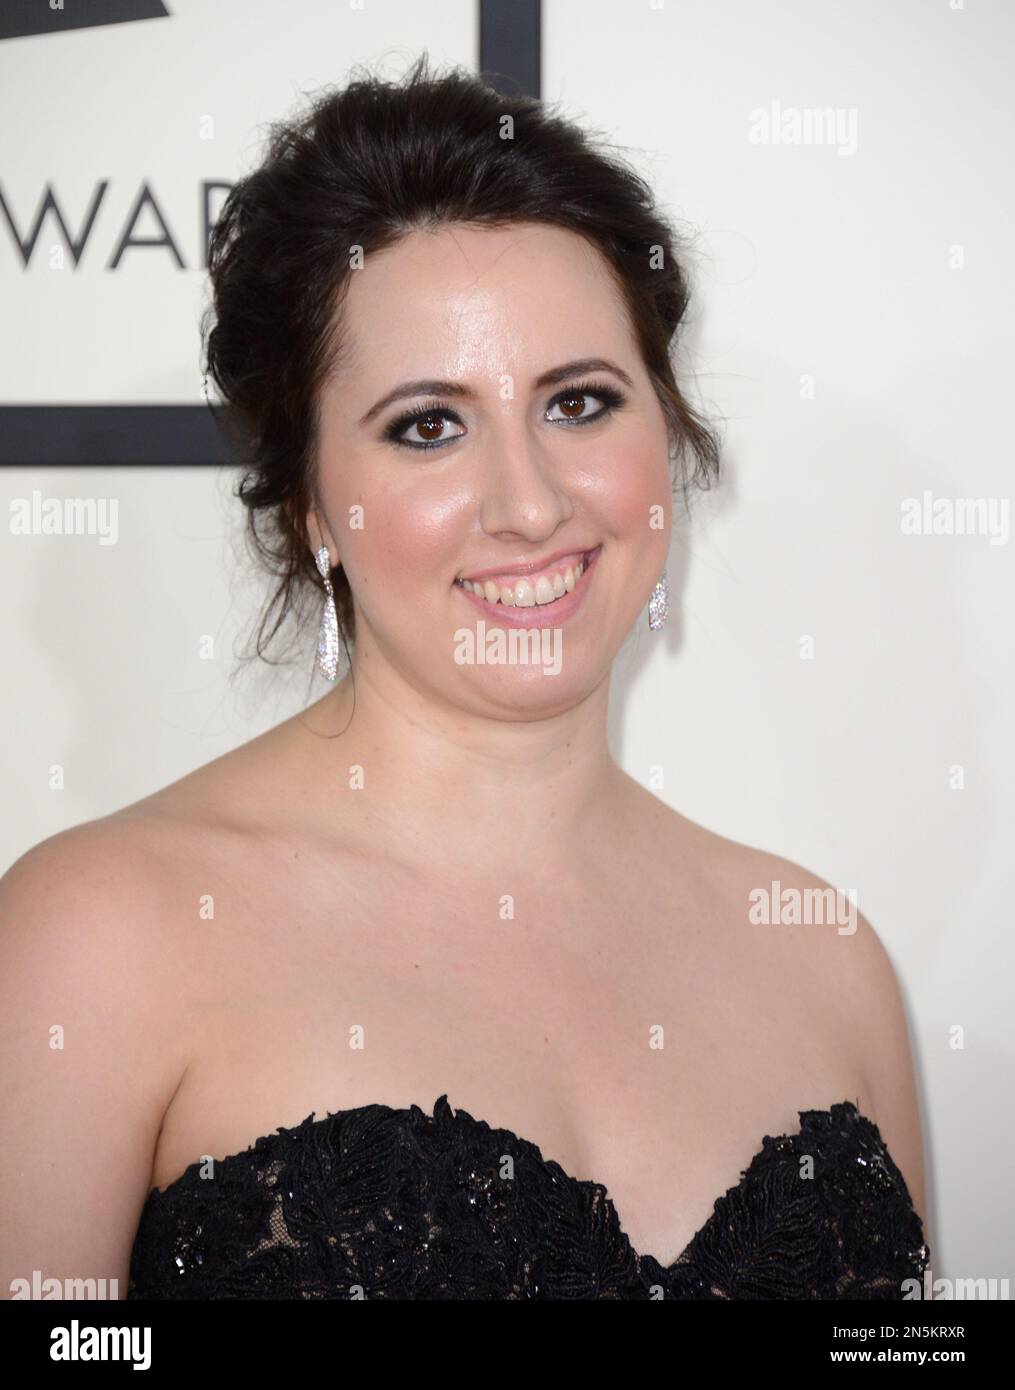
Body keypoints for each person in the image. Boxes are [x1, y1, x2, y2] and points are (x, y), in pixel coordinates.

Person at [0, 55, 929, 1300]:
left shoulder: (827, 960)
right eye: (427, 425)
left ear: (667, 434)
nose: (531, 502)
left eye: (582, 402)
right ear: (313, 508)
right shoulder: (96, 936)